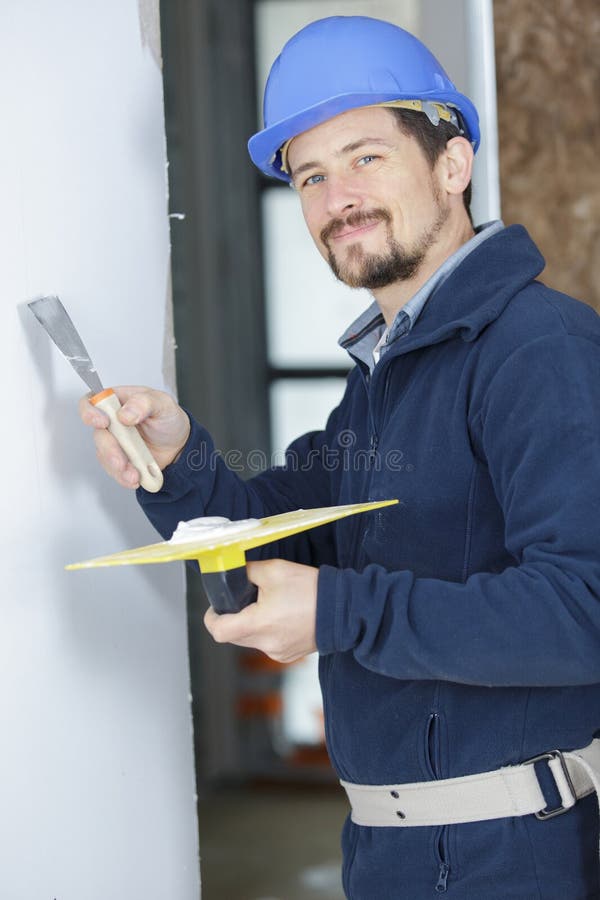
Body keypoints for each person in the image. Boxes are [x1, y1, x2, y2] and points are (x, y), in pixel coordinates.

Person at [80, 16, 600, 899]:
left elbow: (583, 609)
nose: (337, 197)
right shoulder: (386, 374)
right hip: (387, 853)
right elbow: (286, 528)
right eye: (312, 176)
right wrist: (180, 463)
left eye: (365, 157)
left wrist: (339, 612)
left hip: (513, 858)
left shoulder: (537, 348)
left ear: (452, 164)